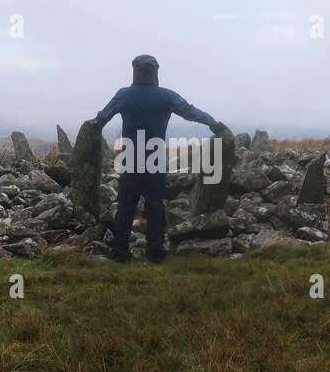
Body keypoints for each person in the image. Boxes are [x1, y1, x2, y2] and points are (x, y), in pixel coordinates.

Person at [86, 55, 227, 262]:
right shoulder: (165, 96)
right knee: (155, 205)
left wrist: (91, 126)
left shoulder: (124, 95)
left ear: (134, 70)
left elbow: (100, 119)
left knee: (125, 206)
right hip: (155, 161)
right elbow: (190, 112)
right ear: (156, 72)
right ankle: (155, 251)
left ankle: (119, 252)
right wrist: (215, 124)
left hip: (130, 160)